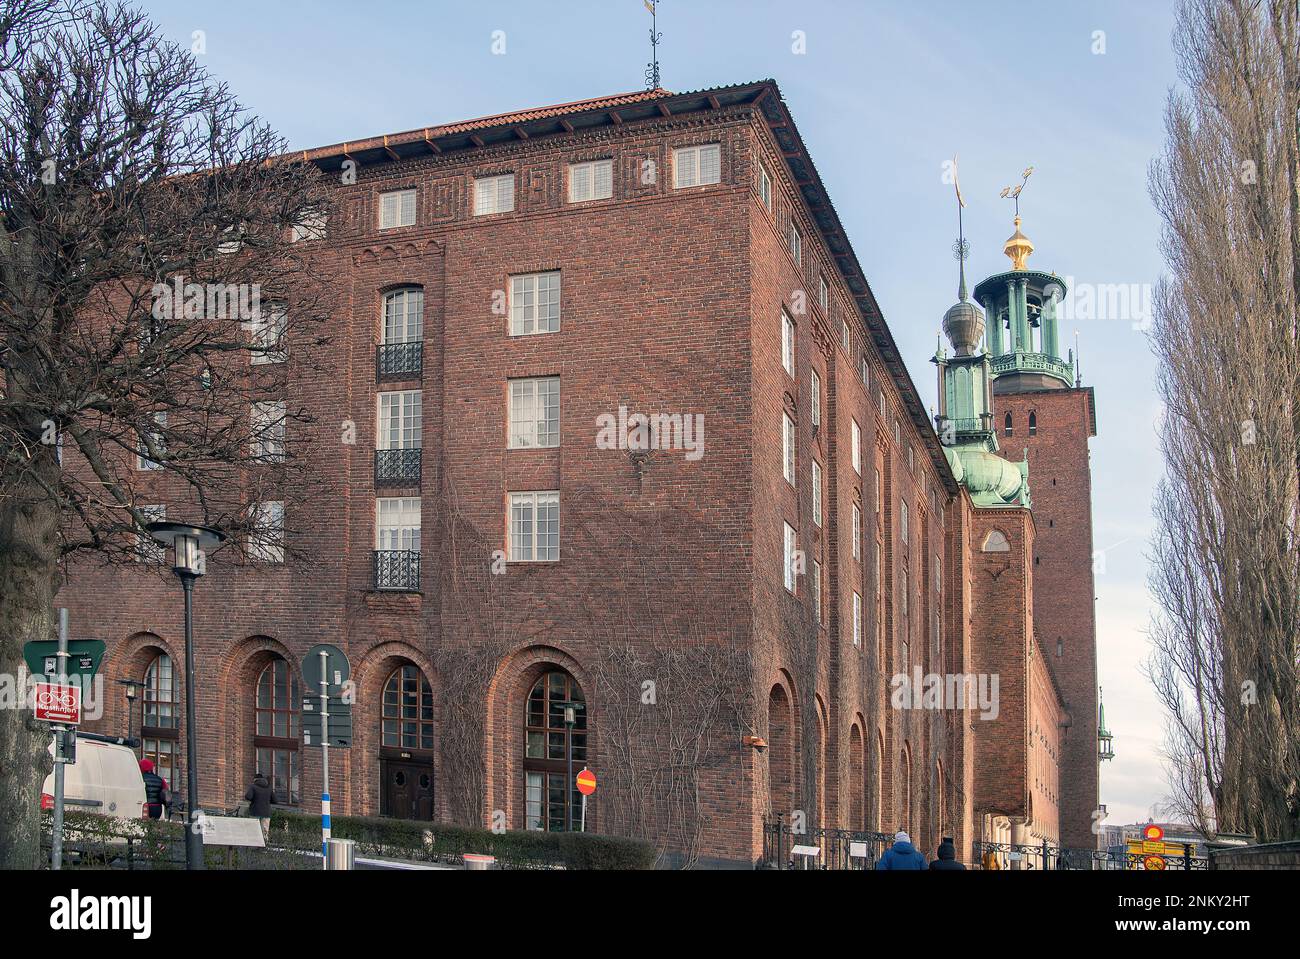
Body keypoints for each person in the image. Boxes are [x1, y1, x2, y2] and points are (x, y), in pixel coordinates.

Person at [244, 772, 274, 839]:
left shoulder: (253, 787)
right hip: (266, 813)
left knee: (253, 831)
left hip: (255, 812)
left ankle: (253, 844)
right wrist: (266, 801)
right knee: (265, 832)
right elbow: (275, 800)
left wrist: (254, 799)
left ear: (255, 779)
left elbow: (248, 796)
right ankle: (264, 844)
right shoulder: (269, 788)